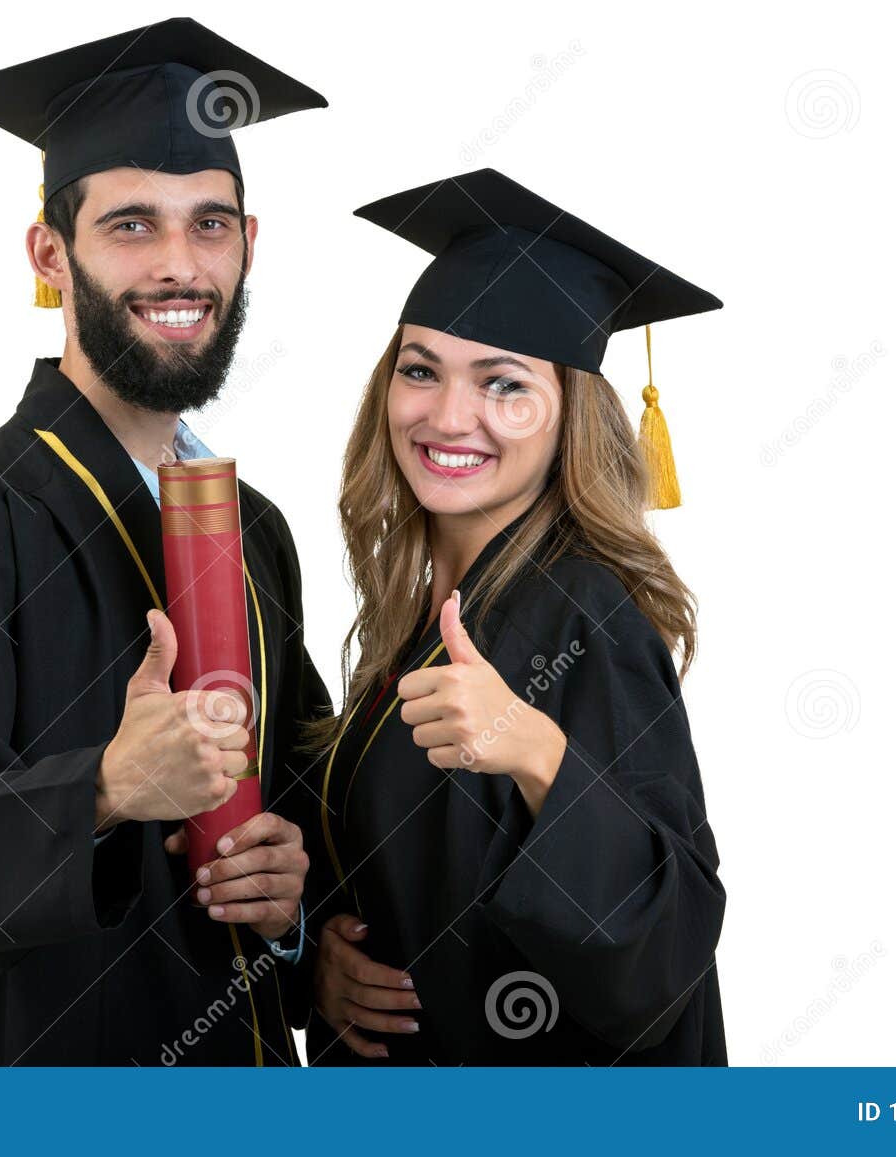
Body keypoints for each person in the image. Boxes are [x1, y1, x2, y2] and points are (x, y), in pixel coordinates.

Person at [0, 18, 331, 1066]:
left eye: (210, 225)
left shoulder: (258, 532)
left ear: (252, 243)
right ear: (49, 254)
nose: (179, 265)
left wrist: (293, 893)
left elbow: (305, 803)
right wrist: (106, 786)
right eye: (131, 226)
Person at [299, 168, 727, 1065]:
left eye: (505, 384)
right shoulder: (432, 615)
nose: (450, 415)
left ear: (570, 414)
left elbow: (669, 937)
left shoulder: (579, 616)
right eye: (421, 370)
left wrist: (534, 750)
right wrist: (319, 967)